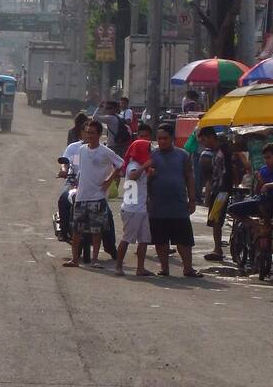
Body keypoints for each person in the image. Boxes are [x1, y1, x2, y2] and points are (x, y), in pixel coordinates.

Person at [62, 119, 124, 269]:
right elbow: (77, 167)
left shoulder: (105, 151)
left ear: (99, 134)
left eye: (92, 133)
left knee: (97, 232)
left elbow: (121, 164)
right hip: (81, 196)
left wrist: (108, 180)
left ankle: (95, 259)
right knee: (77, 230)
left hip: (98, 197)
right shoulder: (82, 150)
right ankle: (75, 259)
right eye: (87, 132)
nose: (89, 135)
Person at [145, 124, 202, 277]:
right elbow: (144, 179)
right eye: (159, 139)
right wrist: (147, 197)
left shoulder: (182, 155)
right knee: (160, 240)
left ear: (172, 139)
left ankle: (188, 269)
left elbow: (189, 177)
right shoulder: (152, 155)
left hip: (179, 204)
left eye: (165, 138)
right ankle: (164, 268)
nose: (162, 141)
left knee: (184, 241)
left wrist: (192, 199)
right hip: (157, 205)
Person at [226, 143, 273, 258]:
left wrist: (269, 185)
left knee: (263, 203)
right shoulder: (263, 170)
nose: (266, 160)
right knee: (231, 209)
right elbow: (257, 190)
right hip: (260, 200)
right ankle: (255, 225)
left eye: (269, 157)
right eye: (265, 157)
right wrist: (259, 181)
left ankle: (267, 226)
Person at [115, 129, 153, 277]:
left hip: (141, 207)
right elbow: (132, 176)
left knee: (144, 240)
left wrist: (148, 173)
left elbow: (141, 184)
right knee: (127, 239)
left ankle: (140, 268)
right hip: (132, 209)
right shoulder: (134, 165)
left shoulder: (141, 165)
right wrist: (145, 167)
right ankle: (118, 266)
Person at [205, 134, 235, 262]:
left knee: (216, 219)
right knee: (215, 219)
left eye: (204, 138)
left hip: (222, 190)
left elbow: (229, 169)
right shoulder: (215, 152)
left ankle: (218, 249)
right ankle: (217, 248)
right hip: (218, 189)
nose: (204, 142)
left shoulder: (223, 151)